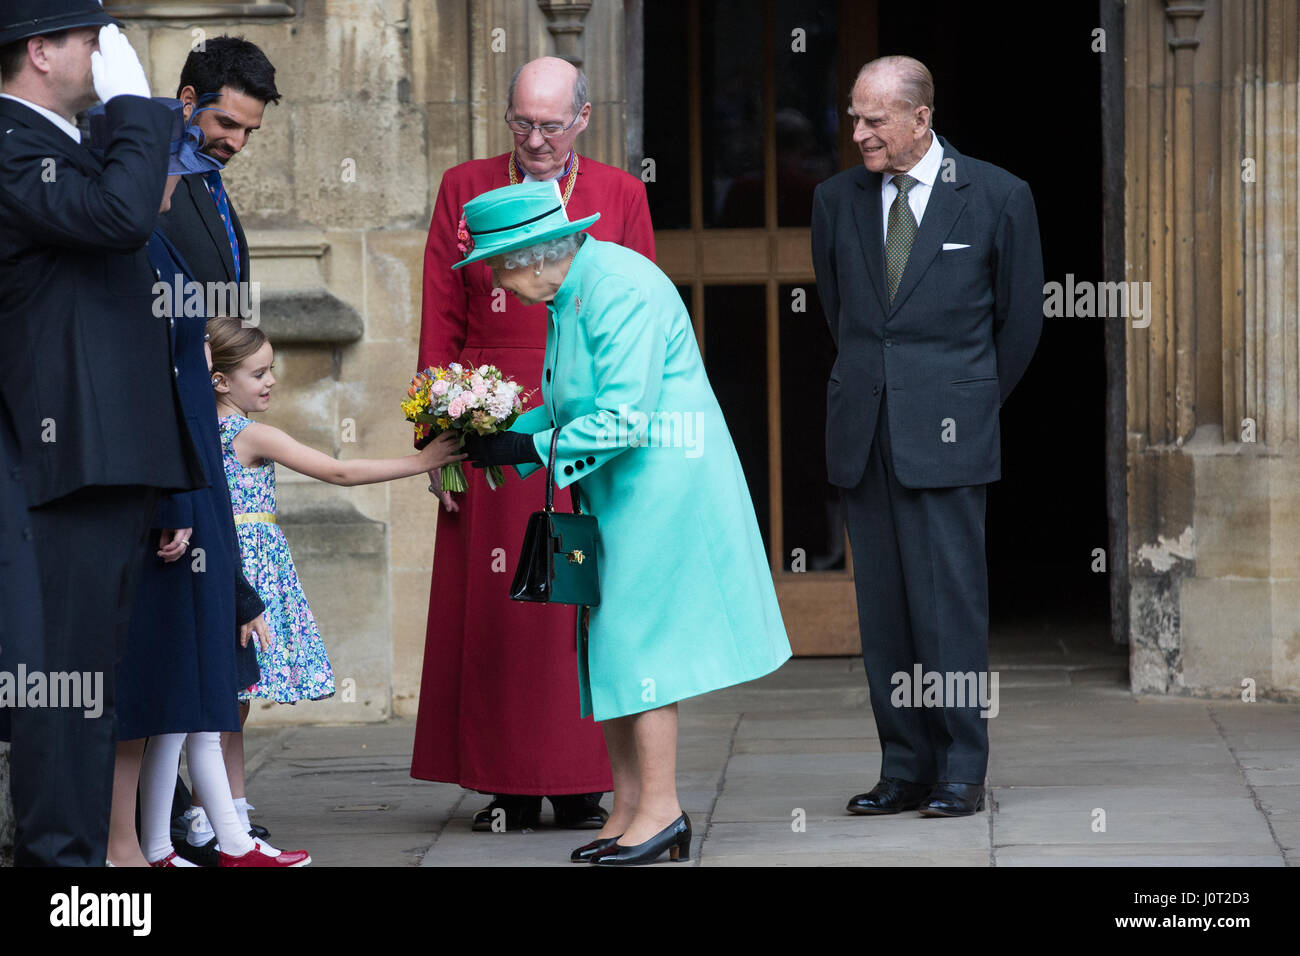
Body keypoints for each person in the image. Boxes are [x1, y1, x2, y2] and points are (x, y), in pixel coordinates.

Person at [458, 181, 792, 865]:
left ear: (532, 254)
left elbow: (622, 418)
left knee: (639, 646)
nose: (495, 279)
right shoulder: (571, 290)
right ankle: (629, 808)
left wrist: (526, 449)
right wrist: (501, 435)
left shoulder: (619, 288)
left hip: (665, 484)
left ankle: (662, 811)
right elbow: (565, 404)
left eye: (497, 264)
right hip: (620, 487)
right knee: (605, 641)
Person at [411, 56, 655, 833]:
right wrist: (439, 437)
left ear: (582, 119)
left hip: (583, 419)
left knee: (576, 603)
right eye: (522, 124)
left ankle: (585, 781)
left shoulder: (620, 193)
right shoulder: (463, 185)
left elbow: (638, 312)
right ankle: (507, 782)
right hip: (493, 419)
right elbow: (441, 311)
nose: (536, 140)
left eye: (551, 125)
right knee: (505, 614)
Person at [0, 5, 207, 866]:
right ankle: (65, 876)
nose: (104, 53)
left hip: (101, 459)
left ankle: (76, 874)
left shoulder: (57, 140)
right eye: (90, 38)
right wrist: (140, 108)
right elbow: (123, 217)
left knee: (88, 691)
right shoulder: (11, 143)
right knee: (60, 693)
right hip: (61, 464)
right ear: (41, 50)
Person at [810, 56, 1043, 818]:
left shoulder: (998, 195)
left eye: (875, 120)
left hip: (948, 433)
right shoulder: (835, 199)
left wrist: (965, 403)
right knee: (884, 613)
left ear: (921, 118)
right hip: (865, 431)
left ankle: (959, 769)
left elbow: (1020, 323)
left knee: (950, 607)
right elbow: (845, 312)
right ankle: (903, 766)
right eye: (854, 116)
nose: (859, 133)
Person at [81, 102, 305, 868]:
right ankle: (126, 850)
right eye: (173, 170)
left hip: (181, 495)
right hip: (149, 501)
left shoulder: (155, 245)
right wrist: (171, 503)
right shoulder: (125, 250)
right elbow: (142, 389)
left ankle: (144, 844)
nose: (181, 186)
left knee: (168, 700)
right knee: (143, 697)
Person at [207, 319, 463, 841]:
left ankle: (231, 810)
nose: (271, 381)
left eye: (271, 369)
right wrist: (423, 460)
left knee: (233, 696)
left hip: (225, 569)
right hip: (246, 575)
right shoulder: (250, 433)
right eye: (258, 373)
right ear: (220, 381)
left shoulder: (200, 430)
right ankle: (217, 817)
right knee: (228, 701)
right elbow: (338, 472)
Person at [155, 34, 281, 850]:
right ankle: (167, 823)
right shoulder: (152, 179)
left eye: (249, 133)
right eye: (227, 125)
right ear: (188, 97)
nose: (235, 143)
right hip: (165, 436)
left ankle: (208, 813)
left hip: (212, 430)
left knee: (216, 635)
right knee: (177, 638)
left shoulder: (208, 180)